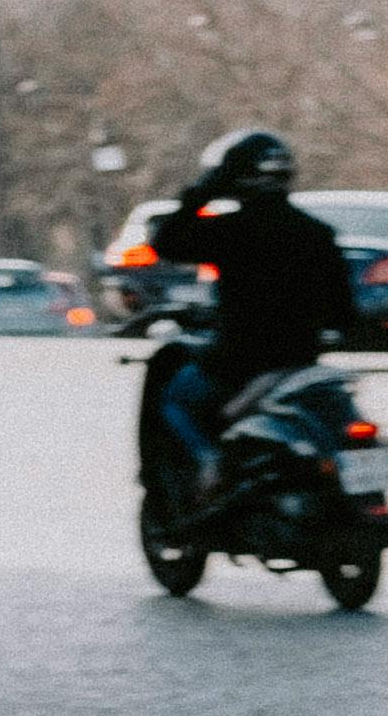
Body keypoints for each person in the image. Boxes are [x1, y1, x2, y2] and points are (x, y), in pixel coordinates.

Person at [138, 128, 348, 514]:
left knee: (176, 398)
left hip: (239, 362)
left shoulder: (232, 231)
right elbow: (344, 311)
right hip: (302, 361)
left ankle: (208, 462)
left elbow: (166, 240)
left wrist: (205, 189)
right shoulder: (318, 234)